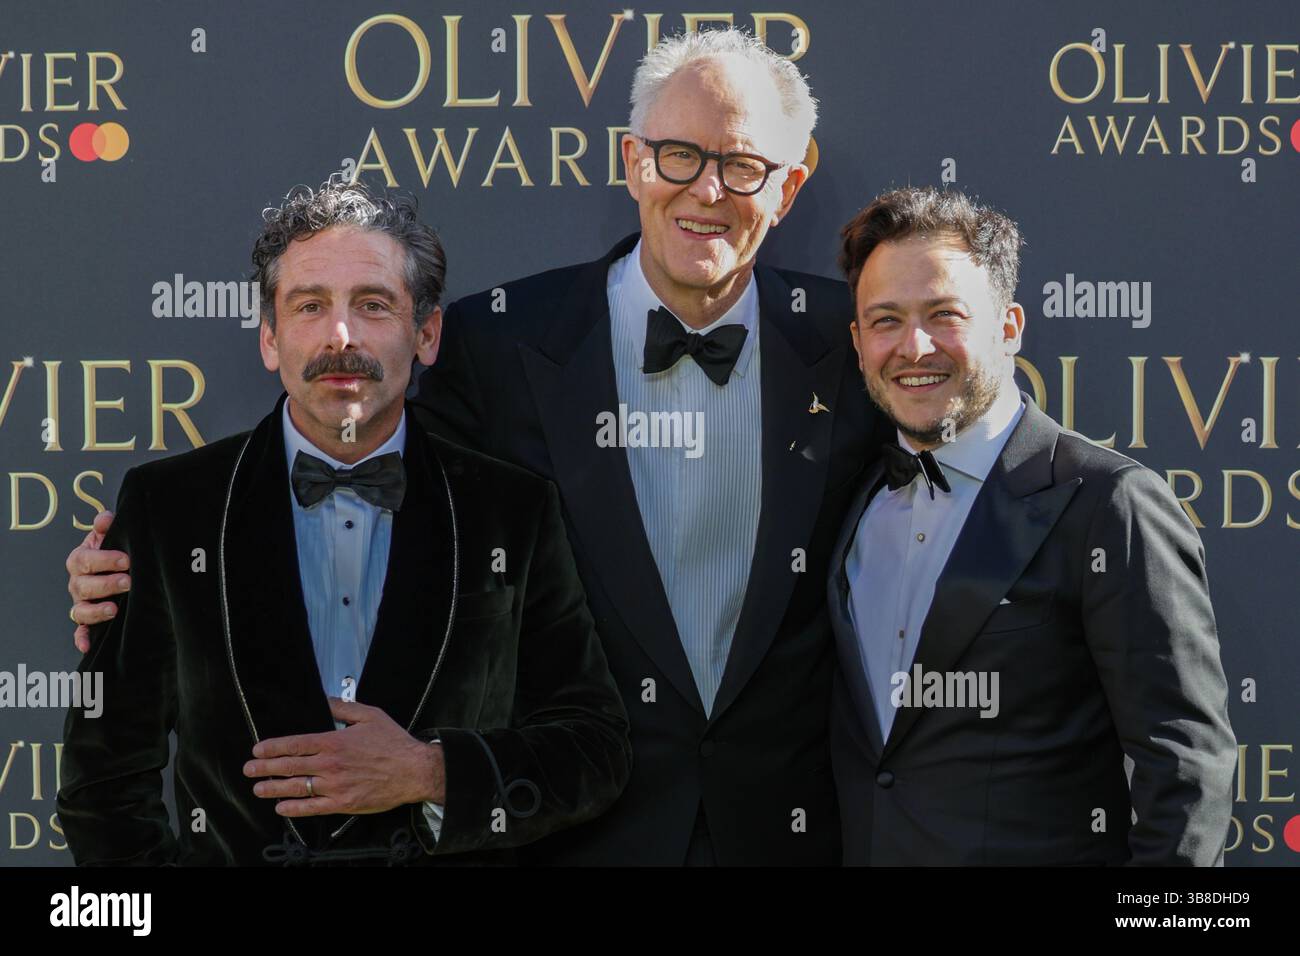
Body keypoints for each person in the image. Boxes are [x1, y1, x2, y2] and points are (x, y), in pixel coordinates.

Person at [69, 28, 887, 866]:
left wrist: (433, 772)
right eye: (678, 154)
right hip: (573, 841)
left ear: (789, 185)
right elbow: (379, 482)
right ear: (634, 161)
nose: (706, 188)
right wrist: (136, 569)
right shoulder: (501, 344)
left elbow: (953, 501)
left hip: (791, 835)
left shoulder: (863, 344)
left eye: (742, 164)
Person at [57, 178, 631, 866]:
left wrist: (431, 772)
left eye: (373, 305)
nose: (340, 335)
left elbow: (593, 749)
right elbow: (104, 781)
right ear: (270, 338)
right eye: (309, 306)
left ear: (426, 334)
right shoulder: (168, 508)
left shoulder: (511, 511)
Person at [828, 186, 1236, 865]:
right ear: (858, 341)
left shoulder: (1109, 504)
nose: (914, 346)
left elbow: (1186, 772)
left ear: (1010, 327)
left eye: (944, 314)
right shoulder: (855, 501)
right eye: (886, 320)